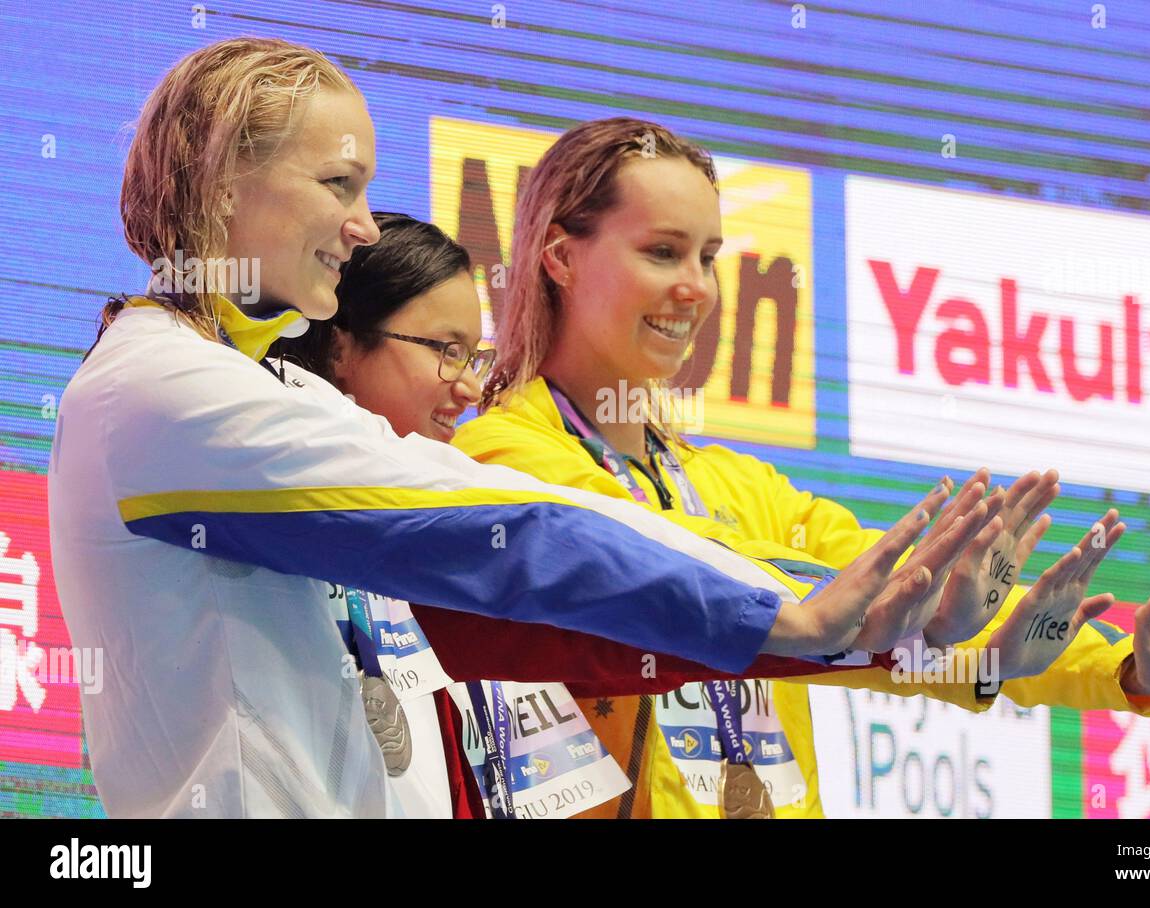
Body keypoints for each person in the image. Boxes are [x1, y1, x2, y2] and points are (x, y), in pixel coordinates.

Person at [46, 38, 984, 819]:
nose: (364, 226)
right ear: (222, 184)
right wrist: (787, 616)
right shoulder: (164, 389)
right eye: (338, 183)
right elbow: (510, 530)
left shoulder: (262, 386)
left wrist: (874, 640)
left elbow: (538, 626)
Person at [278, 209, 1150, 819]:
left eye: (709, 257)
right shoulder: (501, 454)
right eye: (661, 253)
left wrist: (1118, 668)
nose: (696, 288)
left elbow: (882, 605)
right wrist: (860, 611)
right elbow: (680, 565)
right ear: (561, 261)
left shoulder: (738, 482)